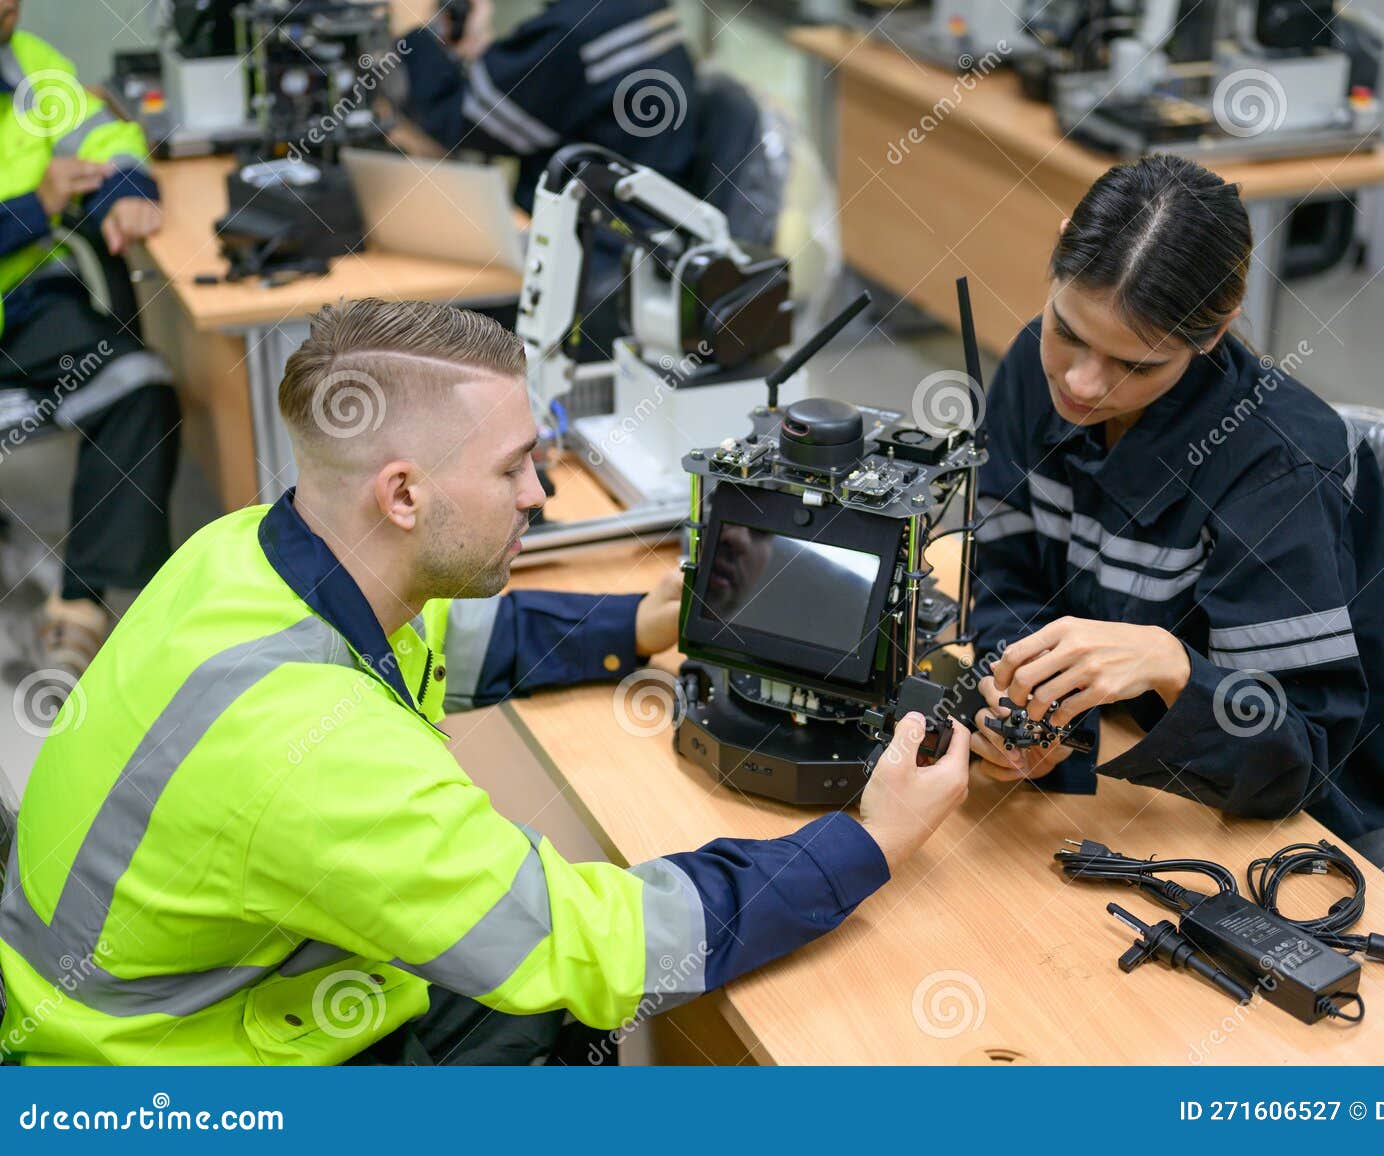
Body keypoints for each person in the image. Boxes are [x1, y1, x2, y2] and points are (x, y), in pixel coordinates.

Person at [0, 298, 971, 1065]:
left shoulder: (245, 552)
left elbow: (448, 643)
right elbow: (602, 945)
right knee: (573, 1008)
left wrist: (651, 621)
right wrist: (868, 839)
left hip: (134, 1012)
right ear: (405, 493)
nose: (540, 496)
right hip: (175, 1086)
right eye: (514, 468)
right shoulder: (317, 753)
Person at [967, 154, 1384, 839]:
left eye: (1135, 364)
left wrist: (1175, 669)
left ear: (1214, 331)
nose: (1083, 384)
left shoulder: (1277, 466)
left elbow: (1298, 756)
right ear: (1058, 253)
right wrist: (1024, 704)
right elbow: (1008, 578)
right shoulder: (1037, 371)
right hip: (1125, 774)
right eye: (1070, 330)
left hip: (1288, 829)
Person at [0, 0, 179, 686]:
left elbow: (103, 137)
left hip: (21, 301)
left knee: (139, 383)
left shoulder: (28, 65)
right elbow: (39, 199)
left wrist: (128, 189)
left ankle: (79, 607)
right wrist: (32, 208)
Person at [399, 0, 698, 213]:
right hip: (638, 221)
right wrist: (482, 58)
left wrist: (410, 28)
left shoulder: (573, 31)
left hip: (594, 242)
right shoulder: (630, 10)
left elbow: (460, 121)